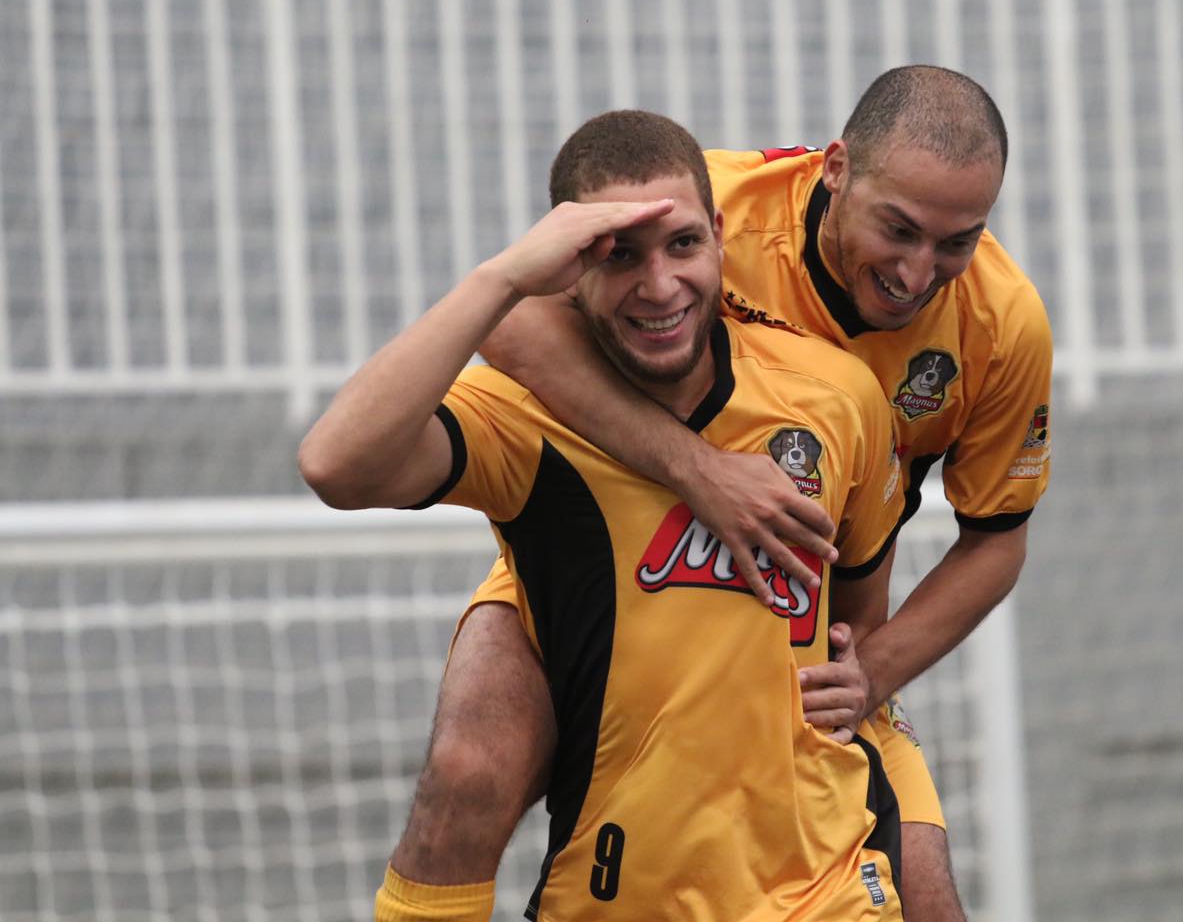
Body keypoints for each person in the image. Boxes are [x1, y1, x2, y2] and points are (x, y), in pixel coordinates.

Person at [466, 65, 1055, 920]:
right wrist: (694, 467)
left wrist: (871, 670)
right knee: (465, 768)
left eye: (957, 241)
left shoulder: (1005, 325)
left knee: (925, 886)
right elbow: (506, 315)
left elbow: (998, 536)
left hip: (805, 629)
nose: (919, 271)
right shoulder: (704, 209)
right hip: (604, 579)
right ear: (837, 167)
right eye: (899, 229)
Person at [299, 110, 911, 920]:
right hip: (617, 896)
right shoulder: (525, 422)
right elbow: (335, 464)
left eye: (683, 245)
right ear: (568, 267)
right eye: (619, 255)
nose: (660, 287)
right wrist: (501, 279)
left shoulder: (836, 397)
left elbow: (859, 613)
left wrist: (857, 678)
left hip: (825, 892)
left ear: (720, 238)